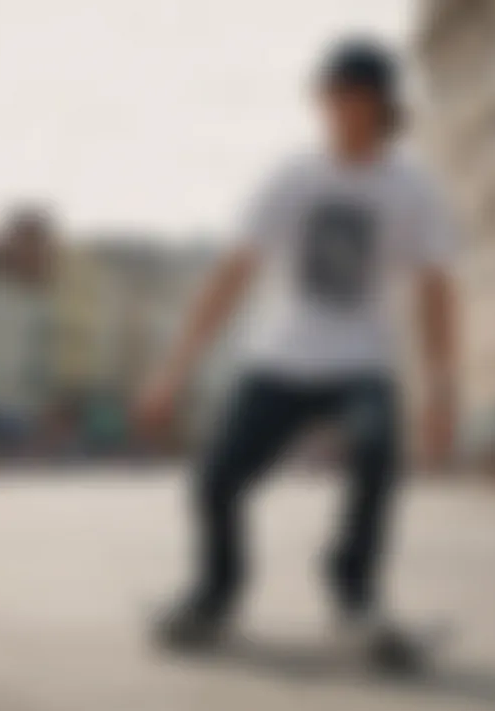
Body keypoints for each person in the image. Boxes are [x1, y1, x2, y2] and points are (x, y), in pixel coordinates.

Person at [136, 36, 458, 670]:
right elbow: (231, 274)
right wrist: (173, 370)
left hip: (362, 362)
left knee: (376, 452)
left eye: (352, 99)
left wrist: (441, 391)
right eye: (329, 98)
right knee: (216, 479)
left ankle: (353, 594)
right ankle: (214, 595)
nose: (337, 111)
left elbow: (436, 294)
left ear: (382, 106)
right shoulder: (292, 176)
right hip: (279, 357)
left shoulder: (413, 188)